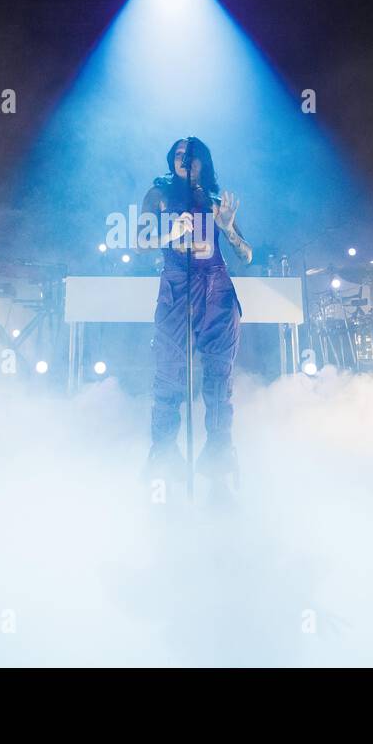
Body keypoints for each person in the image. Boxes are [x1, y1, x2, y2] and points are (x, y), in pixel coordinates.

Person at [141, 137, 253, 488]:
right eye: (176, 154)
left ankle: (219, 459)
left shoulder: (216, 202)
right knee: (169, 375)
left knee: (219, 380)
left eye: (189, 156)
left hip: (216, 288)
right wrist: (168, 232)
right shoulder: (158, 195)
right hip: (177, 287)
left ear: (203, 161)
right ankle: (163, 455)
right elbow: (141, 241)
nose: (182, 159)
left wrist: (229, 230)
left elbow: (247, 254)